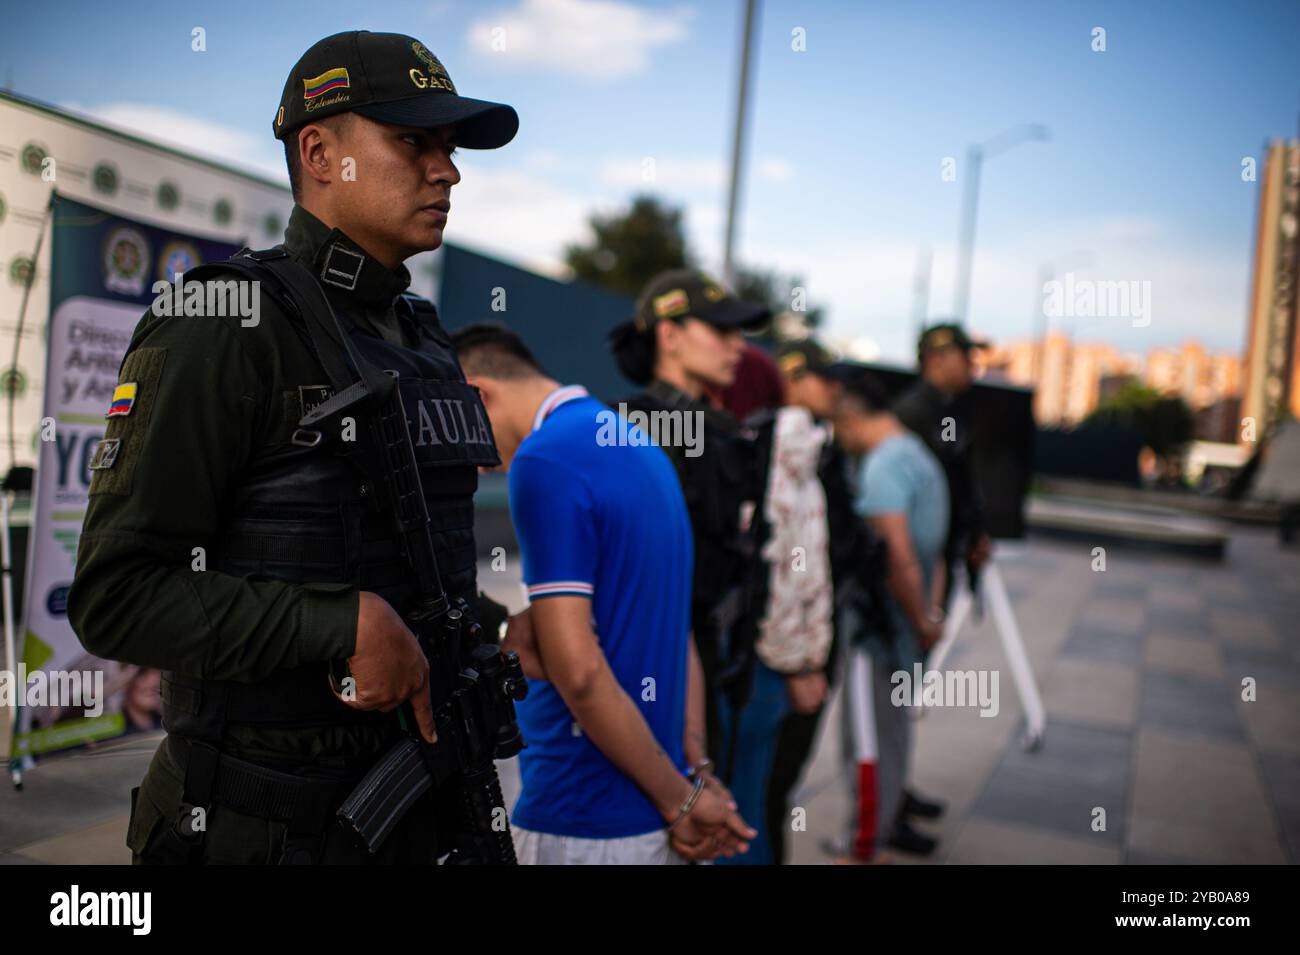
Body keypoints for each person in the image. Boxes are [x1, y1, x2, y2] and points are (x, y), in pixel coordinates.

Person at [68, 30, 520, 864]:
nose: (447, 170)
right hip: (258, 830)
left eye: (449, 148)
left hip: (422, 805)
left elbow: (407, 554)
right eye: (413, 141)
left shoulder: (419, 335)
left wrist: (494, 630)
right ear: (319, 151)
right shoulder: (225, 325)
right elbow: (114, 595)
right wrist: (335, 623)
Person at [449, 323, 754, 864]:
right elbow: (677, 633)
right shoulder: (639, 444)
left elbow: (579, 670)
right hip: (644, 809)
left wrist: (682, 801)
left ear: (479, 392)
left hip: (580, 813)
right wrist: (694, 772)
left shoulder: (546, 460)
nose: (472, 459)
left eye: (460, 426)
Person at [608, 269, 771, 776]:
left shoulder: (716, 428)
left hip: (713, 651)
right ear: (670, 335)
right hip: (659, 659)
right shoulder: (638, 425)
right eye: (720, 331)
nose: (738, 346)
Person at [831, 371, 948, 863]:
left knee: (868, 742)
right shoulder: (918, 453)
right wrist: (931, 616)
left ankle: (862, 846)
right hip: (910, 626)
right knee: (894, 733)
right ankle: (875, 833)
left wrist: (919, 619)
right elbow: (936, 551)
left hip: (882, 630)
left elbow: (897, 554)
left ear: (850, 419)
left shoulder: (881, 467)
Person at [893, 322, 991, 610]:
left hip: (944, 548)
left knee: (926, 640)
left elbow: (960, 476)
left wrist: (975, 531)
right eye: (965, 356)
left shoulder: (953, 408)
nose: (972, 365)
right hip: (919, 551)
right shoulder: (911, 412)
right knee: (913, 639)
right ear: (937, 358)